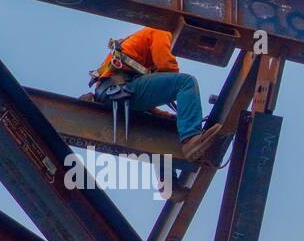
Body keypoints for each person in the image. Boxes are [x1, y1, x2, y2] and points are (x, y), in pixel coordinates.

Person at [87, 26, 222, 162]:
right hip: (118, 90)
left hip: (116, 95)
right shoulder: (161, 29)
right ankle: (191, 139)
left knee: (168, 125)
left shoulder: (140, 56)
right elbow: (167, 67)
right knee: (186, 82)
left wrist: (161, 114)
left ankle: (168, 179)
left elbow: (141, 92)